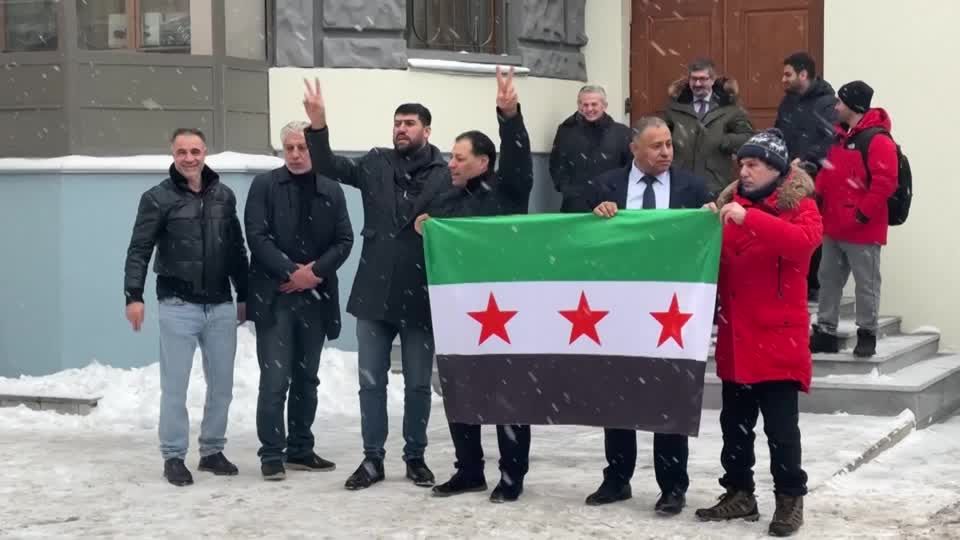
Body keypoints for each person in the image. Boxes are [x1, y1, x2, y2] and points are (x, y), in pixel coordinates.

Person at [301, 79, 456, 490]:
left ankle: (416, 456)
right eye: (396, 123)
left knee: (420, 383)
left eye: (409, 123)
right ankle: (372, 459)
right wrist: (317, 127)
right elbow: (330, 166)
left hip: (422, 293)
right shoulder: (375, 163)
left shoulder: (445, 176)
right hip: (375, 292)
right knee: (371, 381)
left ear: (427, 130)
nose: (401, 129)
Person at [414, 66, 534, 503]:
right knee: (461, 389)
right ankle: (468, 470)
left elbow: (518, 159)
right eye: (450, 156)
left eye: (459, 157)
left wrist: (509, 116)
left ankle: (511, 474)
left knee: (508, 395)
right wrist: (425, 225)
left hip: (505, 311)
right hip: (459, 314)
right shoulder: (445, 196)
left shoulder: (508, 192)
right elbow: (430, 234)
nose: (451, 163)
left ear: (483, 162)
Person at [696, 128, 822, 537]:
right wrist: (699, 229)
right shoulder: (727, 206)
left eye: (753, 165)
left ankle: (789, 498)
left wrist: (751, 219)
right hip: (736, 335)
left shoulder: (800, 205)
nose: (744, 172)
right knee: (735, 424)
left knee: (781, 429)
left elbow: (803, 244)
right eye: (742, 165)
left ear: (775, 168)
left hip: (777, 337)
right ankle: (739, 492)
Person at [588, 116, 711, 516]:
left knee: (668, 395)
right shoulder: (608, 185)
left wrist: (709, 219)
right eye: (656, 145)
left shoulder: (691, 188)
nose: (666, 152)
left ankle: (672, 485)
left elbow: (707, 244)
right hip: (620, 306)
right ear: (634, 149)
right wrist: (596, 215)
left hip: (670, 309)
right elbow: (578, 236)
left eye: (669, 145)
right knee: (616, 392)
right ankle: (617, 477)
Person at [123, 127, 248, 487]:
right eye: (182, 152)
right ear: (173, 154)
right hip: (178, 304)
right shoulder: (157, 198)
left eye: (195, 151)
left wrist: (244, 294)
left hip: (221, 304)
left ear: (205, 151)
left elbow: (236, 249)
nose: (189, 158)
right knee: (175, 386)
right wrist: (134, 295)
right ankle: (174, 456)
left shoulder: (224, 196)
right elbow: (139, 250)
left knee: (222, 384)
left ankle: (211, 450)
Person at [244, 120, 354, 481]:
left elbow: (344, 240)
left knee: (307, 378)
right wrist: (291, 272)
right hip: (275, 299)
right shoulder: (264, 186)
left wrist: (315, 273)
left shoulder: (332, 189)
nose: (295, 154)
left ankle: (301, 449)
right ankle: (271, 454)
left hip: (316, 300)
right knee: (275, 379)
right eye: (289, 147)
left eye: (302, 147)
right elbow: (257, 236)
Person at [810, 81, 898, 358]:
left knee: (866, 284)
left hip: (863, 229)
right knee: (828, 279)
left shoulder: (878, 140)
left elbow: (885, 183)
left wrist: (862, 214)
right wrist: (818, 198)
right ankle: (825, 332)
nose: (835, 106)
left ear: (854, 106)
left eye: (840, 102)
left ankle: (867, 334)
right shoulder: (839, 137)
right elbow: (829, 173)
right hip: (834, 226)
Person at [775, 51, 838, 302]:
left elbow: (830, 138)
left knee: (811, 228)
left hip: (814, 177)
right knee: (788, 225)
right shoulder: (788, 101)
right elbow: (779, 130)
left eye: (788, 74)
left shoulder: (827, 102)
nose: (783, 79)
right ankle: (792, 279)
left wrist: (807, 160)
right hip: (786, 175)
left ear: (803, 74)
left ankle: (813, 284)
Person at [664, 58, 754, 197]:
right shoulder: (675, 106)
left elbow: (748, 138)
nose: (698, 84)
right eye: (694, 79)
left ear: (712, 80)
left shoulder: (729, 107)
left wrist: (723, 140)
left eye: (703, 79)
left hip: (716, 183)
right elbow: (661, 136)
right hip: (680, 182)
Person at [549, 85, 632, 212]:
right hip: (575, 206)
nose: (589, 109)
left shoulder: (622, 133)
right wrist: (567, 190)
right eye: (585, 104)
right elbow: (556, 164)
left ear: (604, 105)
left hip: (611, 207)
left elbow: (629, 167)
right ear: (578, 105)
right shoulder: (566, 131)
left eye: (594, 104)